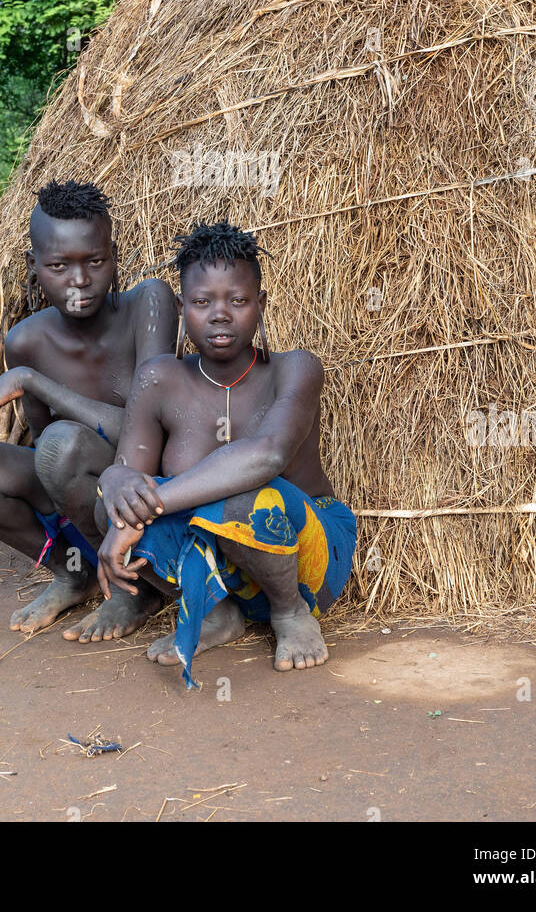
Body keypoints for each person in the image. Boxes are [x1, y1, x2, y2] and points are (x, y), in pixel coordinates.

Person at [92, 221, 357, 687]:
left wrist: (148, 504)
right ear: (181, 309)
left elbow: (266, 456)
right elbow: (129, 473)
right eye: (201, 302)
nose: (220, 314)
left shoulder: (295, 369)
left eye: (237, 300)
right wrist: (115, 483)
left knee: (242, 495)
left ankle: (289, 613)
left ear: (261, 305)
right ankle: (218, 609)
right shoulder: (159, 378)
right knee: (111, 507)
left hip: (305, 558)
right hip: (219, 556)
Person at [0, 179, 176, 637]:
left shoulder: (150, 303)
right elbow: (45, 447)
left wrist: (31, 381)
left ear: (114, 254)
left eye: (95, 261)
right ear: (33, 266)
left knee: (64, 444)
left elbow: (145, 429)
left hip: (147, 483)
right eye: (58, 265)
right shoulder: (26, 340)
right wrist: (30, 374)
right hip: (79, 487)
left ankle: (134, 588)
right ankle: (76, 572)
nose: (80, 280)